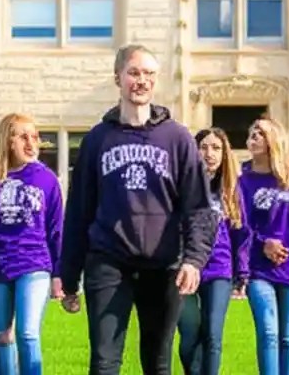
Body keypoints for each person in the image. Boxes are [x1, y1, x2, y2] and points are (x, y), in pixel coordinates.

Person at [58, 44, 217, 375]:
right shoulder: (97, 140)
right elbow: (78, 211)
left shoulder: (177, 138)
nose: (141, 80)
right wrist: (69, 276)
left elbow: (198, 207)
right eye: (133, 73)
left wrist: (193, 260)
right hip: (108, 261)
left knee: (158, 362)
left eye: (148, 74)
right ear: (118, 78)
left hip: (163, 264)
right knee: (104, 362)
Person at [237, 116, 289, 375]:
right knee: (269, 333)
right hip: (258, 270)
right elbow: (238, 226)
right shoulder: (242, 182)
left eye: (260, 133)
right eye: (251, 132)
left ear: (274, 140)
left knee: (287, 338)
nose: (253, 136)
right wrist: (263, 244)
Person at [0, 113, 64, 375]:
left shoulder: (47, 179)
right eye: (23, 137)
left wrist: (59, 274)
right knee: (2, 335)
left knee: (27, 333)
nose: (31, 143)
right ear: (7, 141)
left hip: (34, 263)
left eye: (35, 137)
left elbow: (56, 229)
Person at [177, 127, 247, 375]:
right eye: (204, 147)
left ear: (224, 154)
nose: (210, 153)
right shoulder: (182, 186)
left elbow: (241, 234)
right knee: (189, 332)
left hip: (219, 269)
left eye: (216, 148)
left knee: (213, 334)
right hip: (185, 268)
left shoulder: (230, 190)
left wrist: (242, 273)